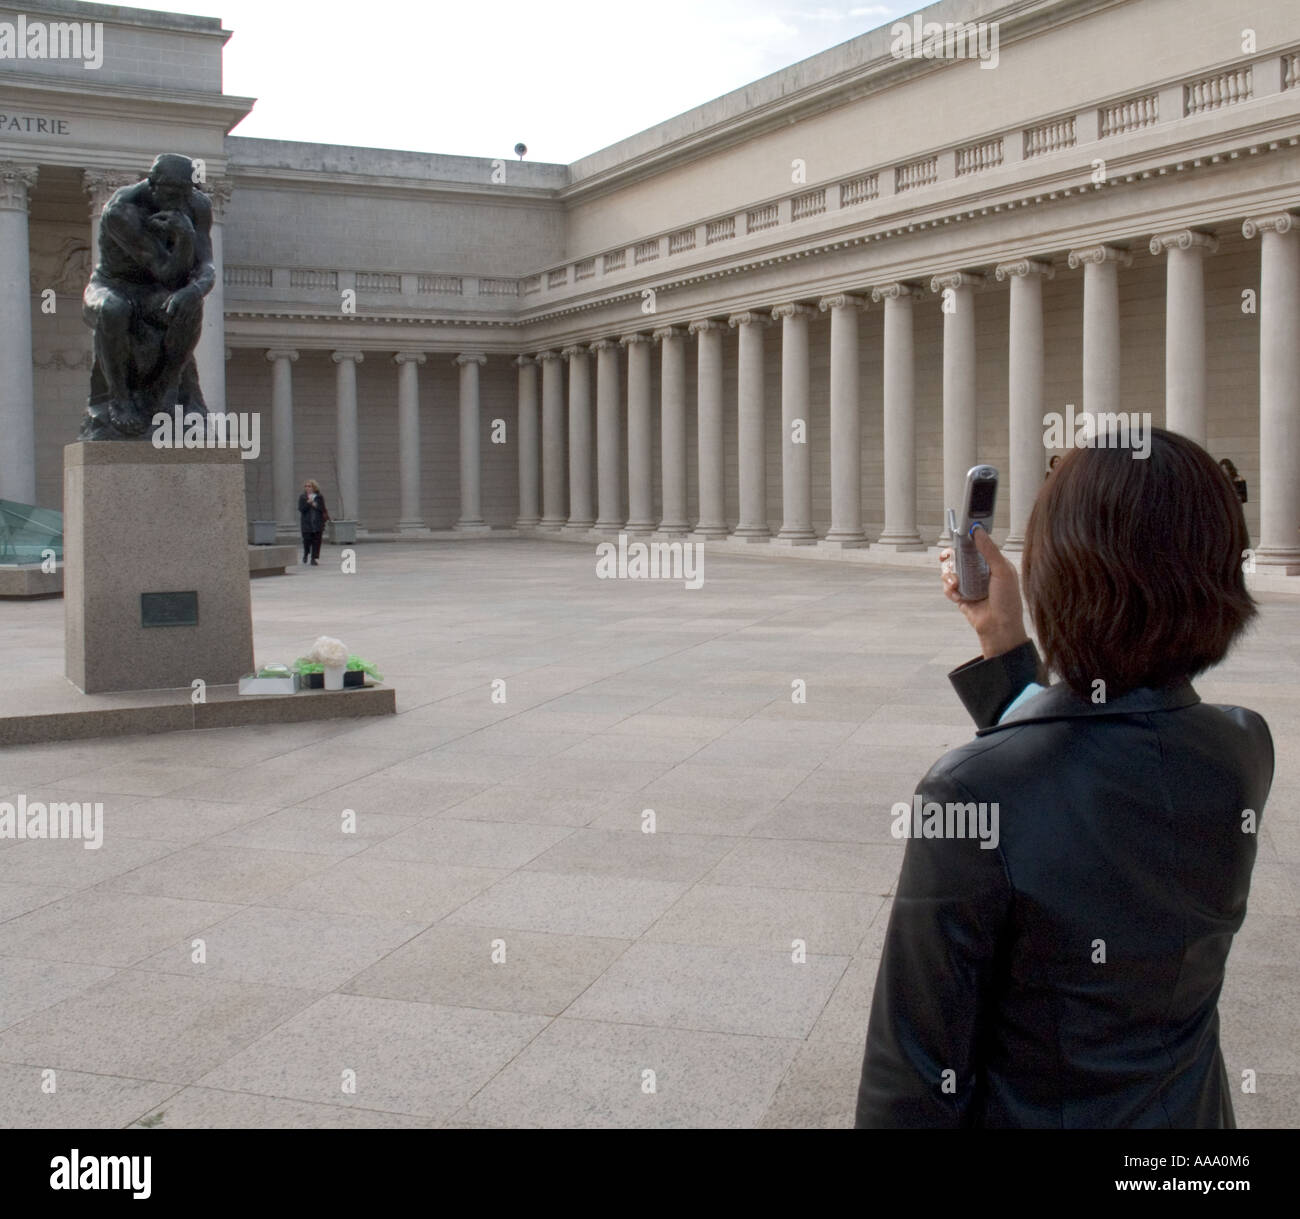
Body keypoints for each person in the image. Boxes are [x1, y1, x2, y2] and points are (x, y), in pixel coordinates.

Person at [855, 427, 1273, 1129]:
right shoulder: (1242, 747)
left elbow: (914, 1081)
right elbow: (1098, 763)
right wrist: (1005, 645)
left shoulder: (967, 794)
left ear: (1062, 570)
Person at [298, 480, 328, 565]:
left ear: (314, 487)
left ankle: (313, 558)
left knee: (316, 541)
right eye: (306, 486)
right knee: (307, 540)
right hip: (306, 523)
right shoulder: (303, 497)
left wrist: (315, 504)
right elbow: (301, 509)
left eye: (309, 486)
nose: (307, 488)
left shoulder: (319, 497)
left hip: (317, 523)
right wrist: (308, 503)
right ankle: (306, 553)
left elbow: (322, 509)